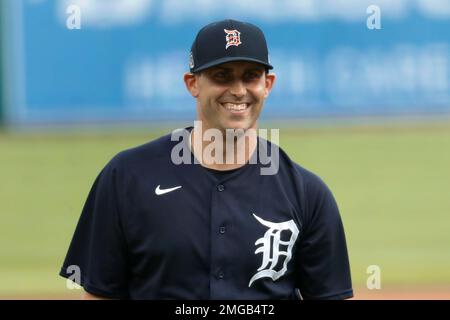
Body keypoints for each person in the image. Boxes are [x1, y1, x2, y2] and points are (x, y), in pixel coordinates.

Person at [60, 19, 353, 300]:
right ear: (192, 84)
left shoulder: (306, 193)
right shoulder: (127, 177)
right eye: (222, 75)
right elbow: (100, 293)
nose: (238, 90)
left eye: (250, 75)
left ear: (268, 84)